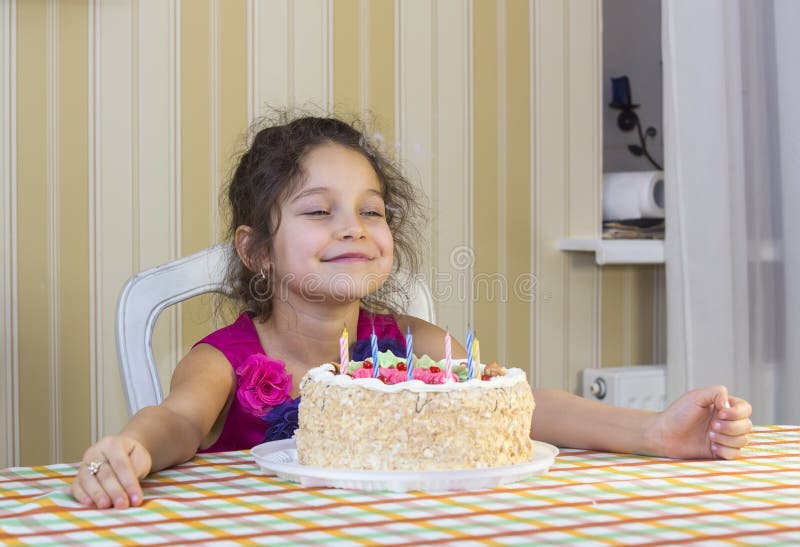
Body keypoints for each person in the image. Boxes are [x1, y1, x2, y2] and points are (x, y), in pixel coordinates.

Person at [72, 114, 753, 510]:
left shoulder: (412, 345)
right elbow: (178, 421)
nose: (354, 227)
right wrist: (133, 446)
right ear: (257, 253)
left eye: (371, 210)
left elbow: (516, 404)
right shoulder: (224, 359)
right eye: (318, 211)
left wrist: (655, 430)